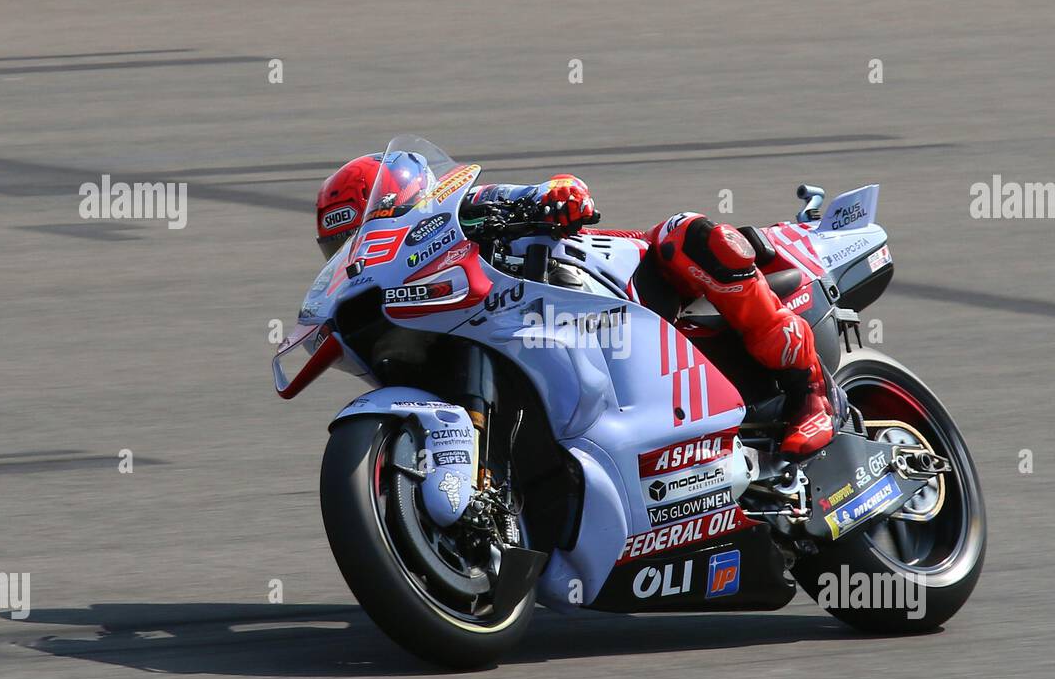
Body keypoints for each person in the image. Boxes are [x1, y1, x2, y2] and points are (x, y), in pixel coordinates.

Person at [314, 155, 835, 457]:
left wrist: (555, 193)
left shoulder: (461, 213)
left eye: (366, 226)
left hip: (626, 284)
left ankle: (810, 391)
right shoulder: (393, 287)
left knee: (686, 234)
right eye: (342, 245)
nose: (363, 247)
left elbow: (548, 192)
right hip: (535, 343)